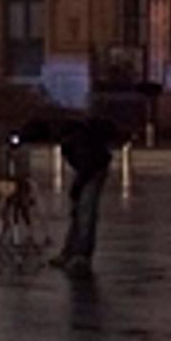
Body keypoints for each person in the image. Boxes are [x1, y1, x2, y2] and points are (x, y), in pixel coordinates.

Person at [53, 105, 120, 275]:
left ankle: (81, 256)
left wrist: (76, 189)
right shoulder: (74, 139)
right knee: (80, 211)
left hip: (94, 169)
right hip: (93, 167)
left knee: (85, 213)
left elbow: (86, 167)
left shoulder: (76, 142)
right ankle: (71, 252)